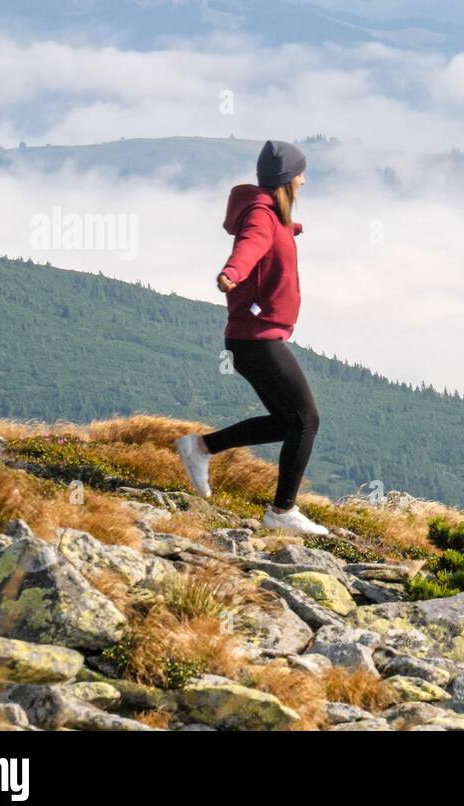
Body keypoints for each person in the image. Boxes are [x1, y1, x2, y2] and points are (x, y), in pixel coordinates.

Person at [175, 139, 328, 536]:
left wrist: (289, 228)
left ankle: (201, 448)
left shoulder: (269, 215)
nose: (305, 181)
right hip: (256, 339)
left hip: (254, 338)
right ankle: (282, 512)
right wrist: (232, 272)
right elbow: (250, 245)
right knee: (307, 420)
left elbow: (266, 235)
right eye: (301, 174)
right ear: (287, 180)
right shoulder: (261, 215)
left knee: (287, 422)